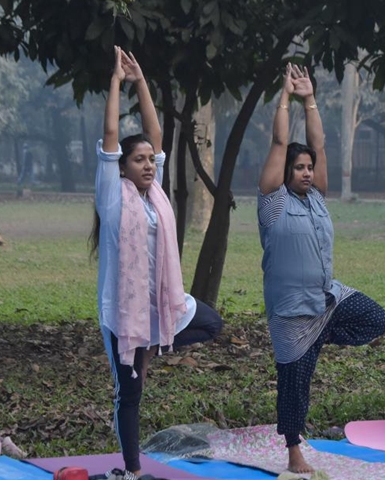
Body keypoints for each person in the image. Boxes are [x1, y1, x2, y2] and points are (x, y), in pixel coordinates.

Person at [90, 46, 223, 480]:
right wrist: (116, 82)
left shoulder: (155, 194)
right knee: (129, 397)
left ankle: (151, 344)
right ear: (122, 167)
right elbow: (112, 134)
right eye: (139, 160)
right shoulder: (112, 195)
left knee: (212, 324)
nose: (149, 164)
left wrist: (142, 81)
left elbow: (156, 133)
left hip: (160, 306)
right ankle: (131, 471)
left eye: (151, 159)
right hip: (122, 313)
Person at [257, 63, 385, 473]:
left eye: (309, 168)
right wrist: (285, 97)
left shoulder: (317, 197)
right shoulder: (272, 202)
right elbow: (281, 141)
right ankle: (294, 451)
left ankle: (321, 336)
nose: (307, 172)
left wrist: (311, 99)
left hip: (327, 299)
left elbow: (321, 146)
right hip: (291, 312)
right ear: (285, 171)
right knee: (294, 386)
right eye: (299, 168)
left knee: (377, 319)